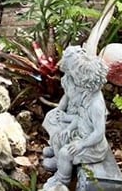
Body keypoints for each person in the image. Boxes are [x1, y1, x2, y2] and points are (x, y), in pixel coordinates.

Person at [42, 45, 110, 191]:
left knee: (66, 153)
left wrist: (81, 144)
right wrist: (71, 127)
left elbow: (98, 133)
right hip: (81, 133)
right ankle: (59, 161)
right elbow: (80, 118)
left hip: (93, 147)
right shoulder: (87, 95)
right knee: (62, 136)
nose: (72, 76)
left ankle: (62, 179)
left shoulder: (96, 104)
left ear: (85, 80)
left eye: (75, 75)